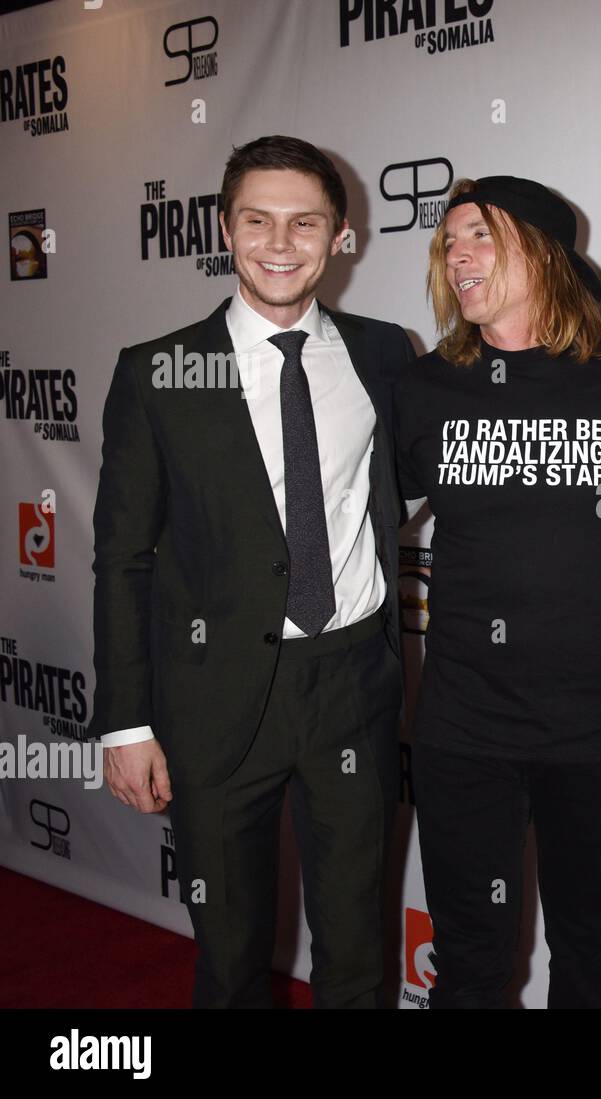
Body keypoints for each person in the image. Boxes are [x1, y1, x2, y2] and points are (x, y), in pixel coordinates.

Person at [92, 135, 413, 1008]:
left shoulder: (386, 356)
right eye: (258, 220)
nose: (282, 241)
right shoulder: (158, 371)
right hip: (211, 694)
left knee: (357, 953)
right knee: (229, 958)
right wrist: (124, 723)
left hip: (351, 683)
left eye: (305, 221)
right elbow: (122, 556)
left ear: (339, 235)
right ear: (226, 229)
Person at [396, 175, 601, 1008]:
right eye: (449, 242)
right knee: (469, 959)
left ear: (543, 253)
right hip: (463, 729)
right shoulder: (426, 391)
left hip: (596, 728)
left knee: (591, 949)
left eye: (481, 236)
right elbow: (351, 521)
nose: (458, 255)